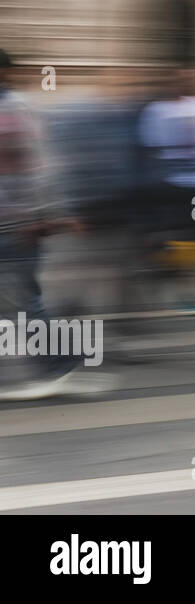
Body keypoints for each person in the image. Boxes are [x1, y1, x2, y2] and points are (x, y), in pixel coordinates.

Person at [0, 49, 84, 398]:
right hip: (16, 222)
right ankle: (59, 360)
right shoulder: (18, 109)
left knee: (24, 299)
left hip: (13, 225)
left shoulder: (12, 111)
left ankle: (58, 362)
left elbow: (37, 168)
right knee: (22, 298)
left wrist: (41, 215)